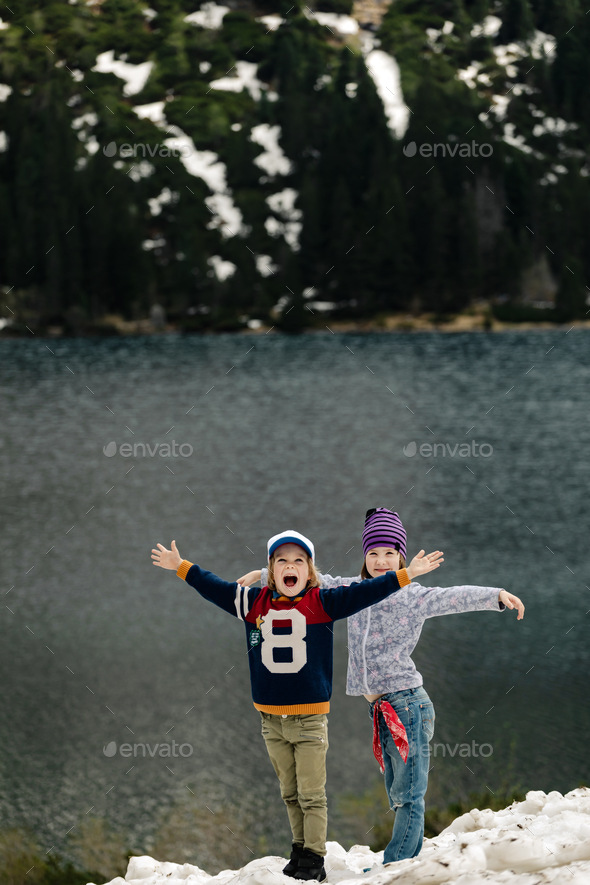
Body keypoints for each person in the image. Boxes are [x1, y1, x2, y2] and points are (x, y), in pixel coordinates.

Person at [152, 530, 443, 881]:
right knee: (289, 793)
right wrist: (180, 566)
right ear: (271, 571)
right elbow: (213, 586)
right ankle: (299, 848)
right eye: (282, 562)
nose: (291, 567)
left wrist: (405, 574)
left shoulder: (323, 602)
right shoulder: (253, 603)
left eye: (299, 562)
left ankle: (314, 858)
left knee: (311, 794)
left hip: (309, 720)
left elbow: (368, 590)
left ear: (310, 571)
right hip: (270, 720)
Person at [245, 508, 524, 868]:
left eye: (389, 554)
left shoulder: (412, 595)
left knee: (409, 796)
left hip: (407, 704)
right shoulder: (351, 589)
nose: (380, 561)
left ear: (401, 557)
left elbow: (453, 597)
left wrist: (497, 595)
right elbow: (308, 577)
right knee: (397, 793)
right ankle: (401, 864)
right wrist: (264, 573)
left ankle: (395, 867)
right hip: (382, 709)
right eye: (374, 553)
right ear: (364, 555)